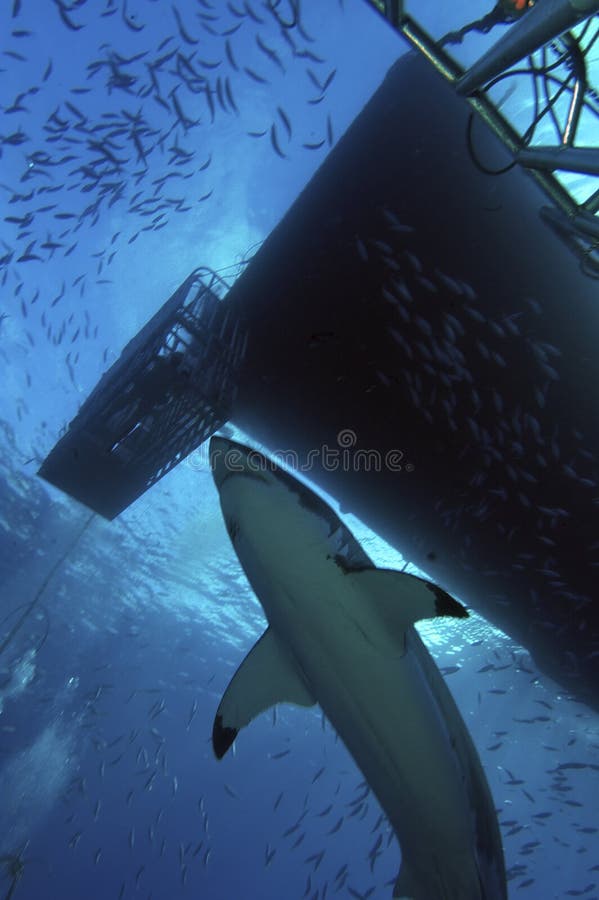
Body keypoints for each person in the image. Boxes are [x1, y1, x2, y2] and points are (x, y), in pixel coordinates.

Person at [439, 0, 535, 46]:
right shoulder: (502, 14)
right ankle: (456, 35)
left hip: (505, 13)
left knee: (484, 27)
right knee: (484, 27)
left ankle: (456, 35)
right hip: (504, 13)